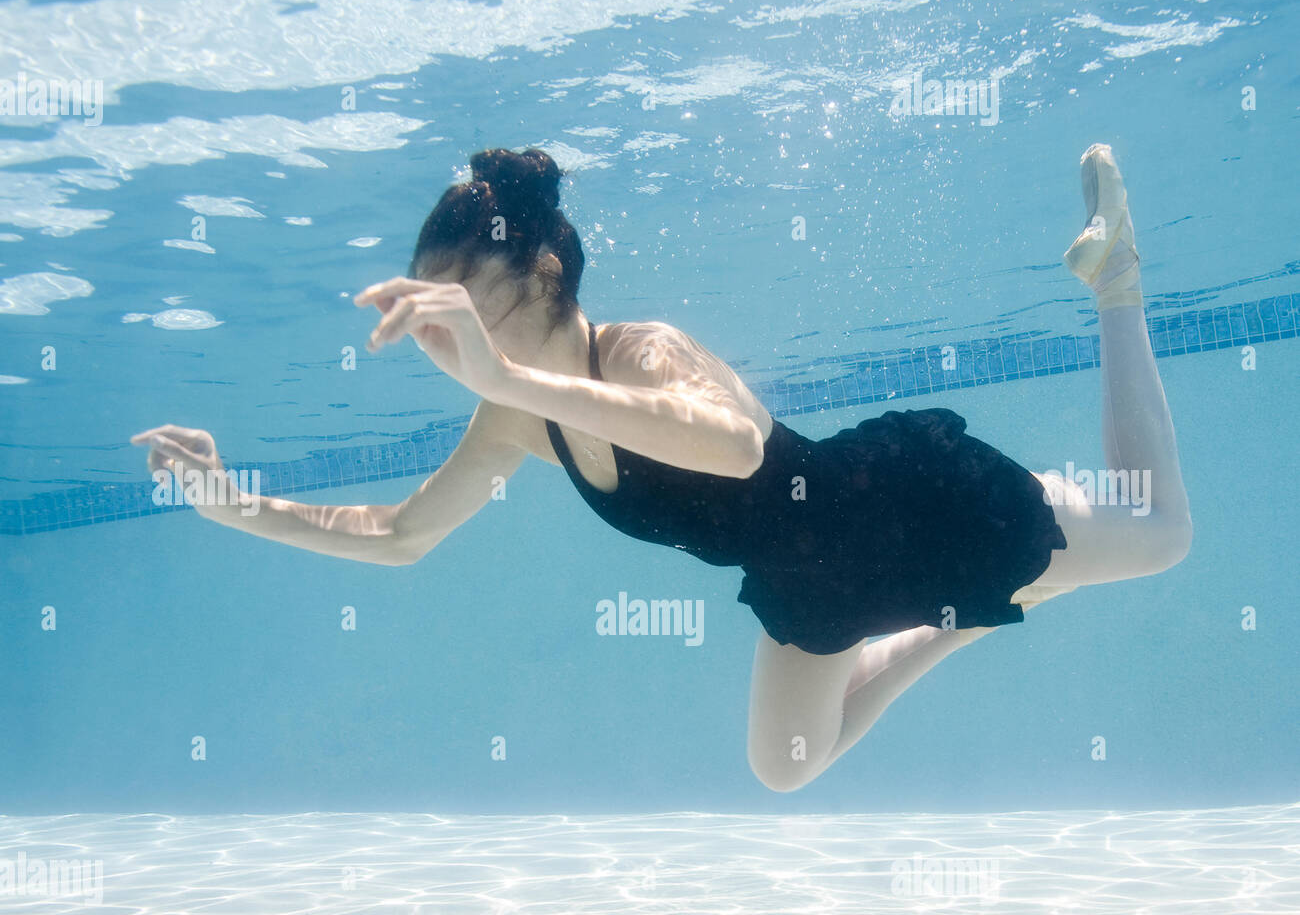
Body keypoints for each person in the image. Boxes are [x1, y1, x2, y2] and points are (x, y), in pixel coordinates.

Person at [134, 144, 1190, 791]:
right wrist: (234, 507)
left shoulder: (638, 351)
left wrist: (507, 373)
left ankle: (1118, 282)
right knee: (784, 768)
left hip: (898, 499)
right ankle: (963, 618)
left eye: (454, 308)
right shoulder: (516, 418)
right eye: (420, 319)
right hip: (809, 585)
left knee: (1158, 531)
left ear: (544, 271)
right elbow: (403, 536)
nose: (438, 343)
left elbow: (730, 444)